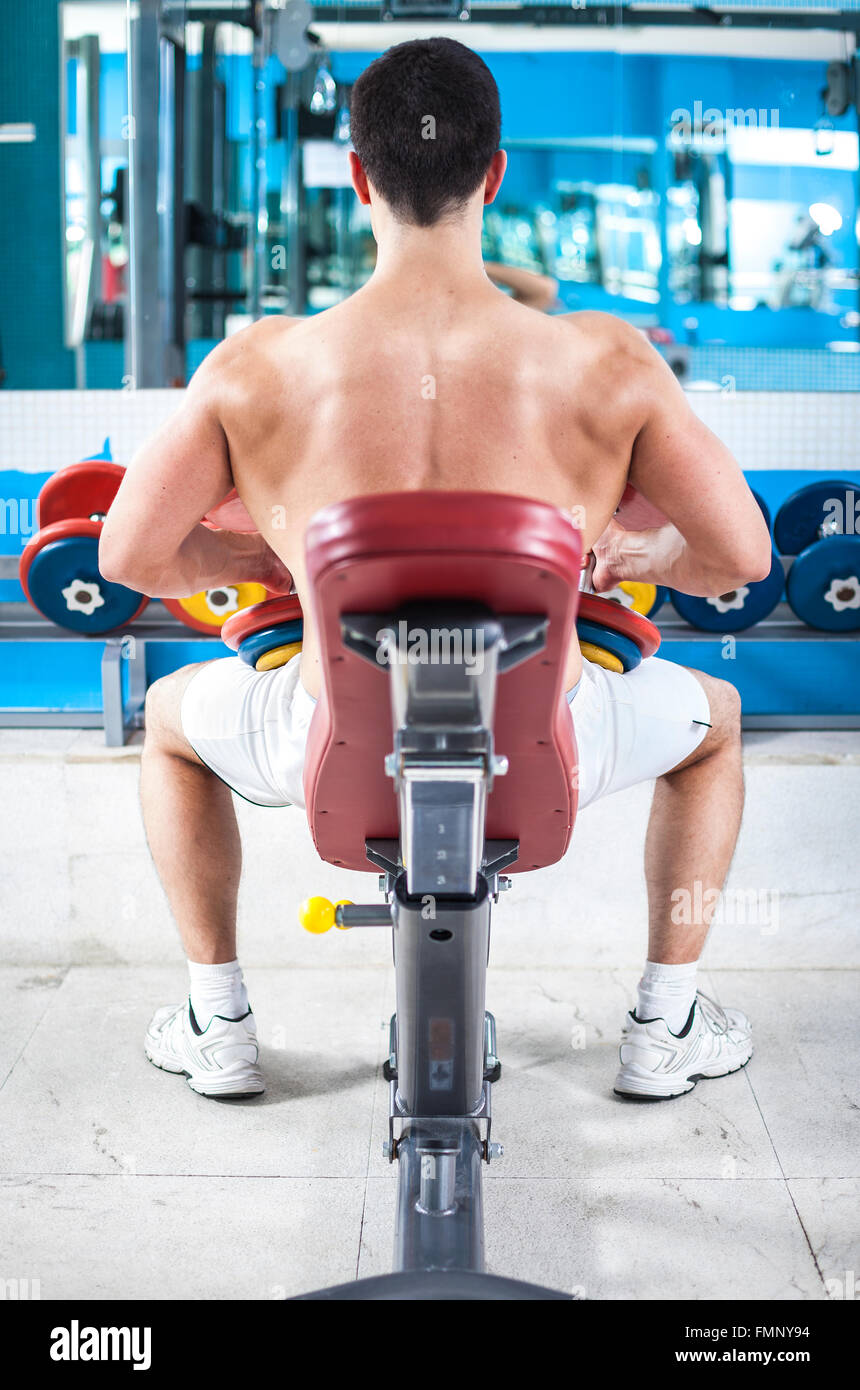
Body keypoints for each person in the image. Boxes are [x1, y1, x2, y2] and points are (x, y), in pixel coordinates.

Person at [100, 37, 771, 1102]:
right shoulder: (605, 362)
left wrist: (239, 548)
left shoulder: (256, 367)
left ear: (358, 175)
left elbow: (126, 556)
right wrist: (649, 551)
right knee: (716, 722)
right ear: (495, 174)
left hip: (328, 747)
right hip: (549, 744)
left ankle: (215, 1017)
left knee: (174, 728)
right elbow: (742, 555)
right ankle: (665, 1023)